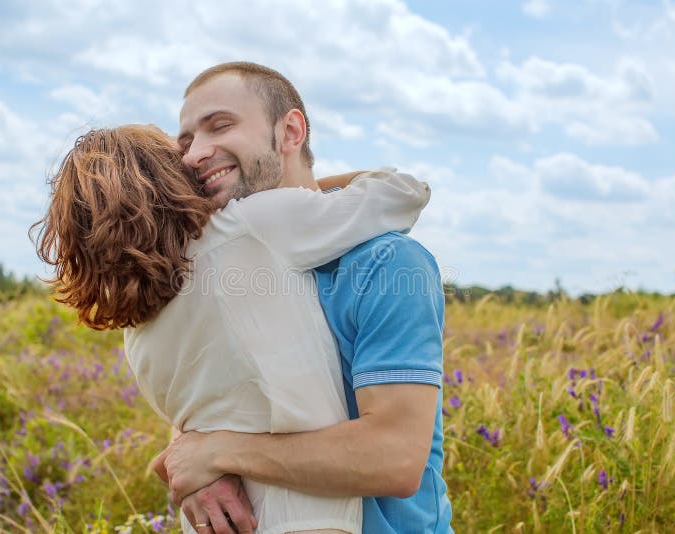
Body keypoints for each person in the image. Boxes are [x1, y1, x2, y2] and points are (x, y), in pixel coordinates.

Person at [32, 122, 430, 534]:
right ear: (169, 178)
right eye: (181, 151)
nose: (196, 157)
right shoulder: (247, 227)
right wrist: (297, 190)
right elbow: (402, 192)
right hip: (308, 518)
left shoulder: (136, 331)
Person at [155, 62, 454, 533]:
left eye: (221, 125)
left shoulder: (388, 265)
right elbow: (204, 415)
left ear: (290, 131)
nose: (194, 155)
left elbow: (395, 458)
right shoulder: (216, 274)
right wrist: (193, 468)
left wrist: (219, 453)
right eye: (186, 141)